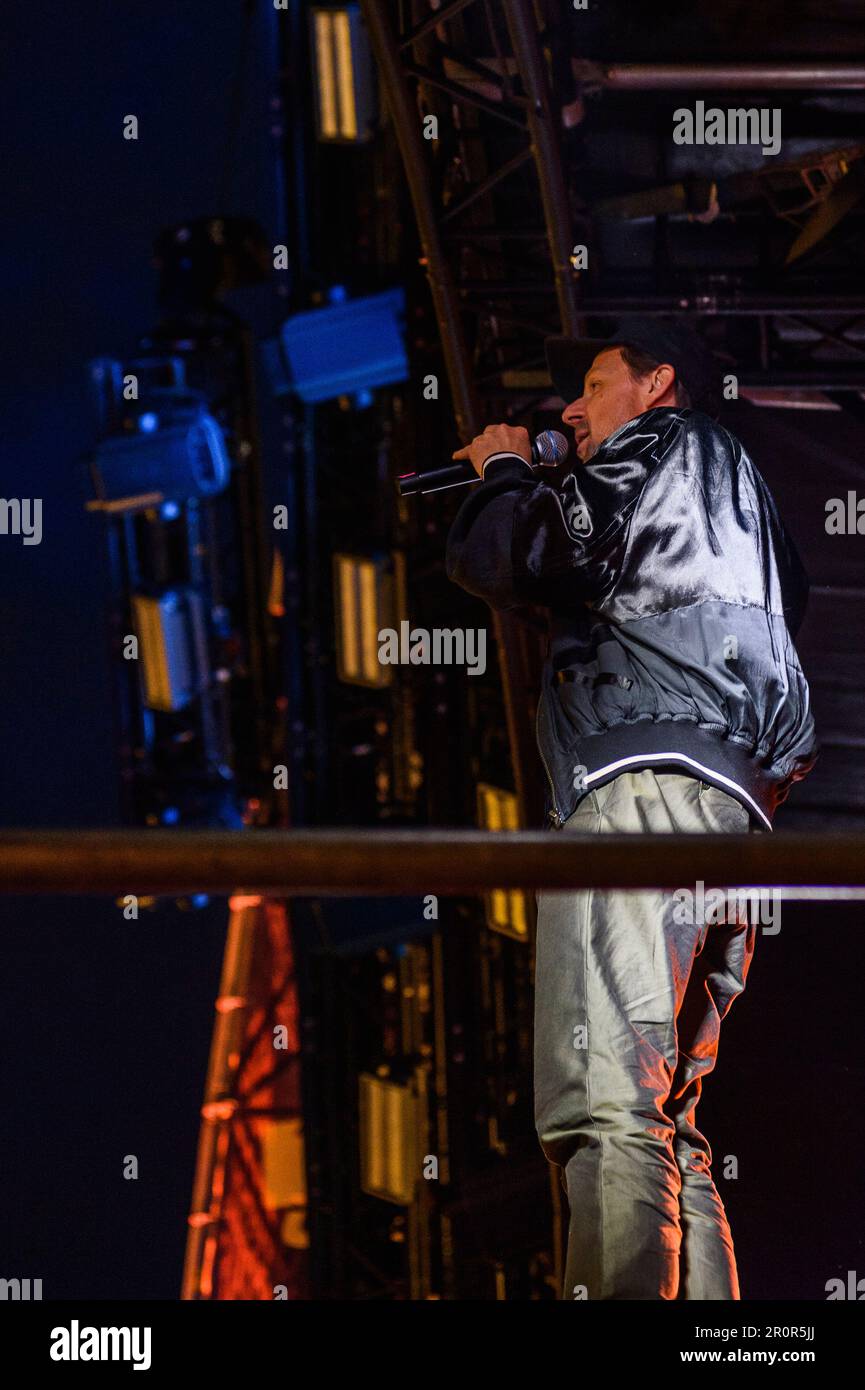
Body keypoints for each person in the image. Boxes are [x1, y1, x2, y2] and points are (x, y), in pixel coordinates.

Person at [445, 317, 818, 1300]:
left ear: (656, 384)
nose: (570, 409)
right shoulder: (748, 508)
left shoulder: (662, 445)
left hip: (644, 796)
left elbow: (519, 556)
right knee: (664, 1118)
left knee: (605, 1100)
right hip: (734, 820)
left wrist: (501, 472)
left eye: (593, 385)